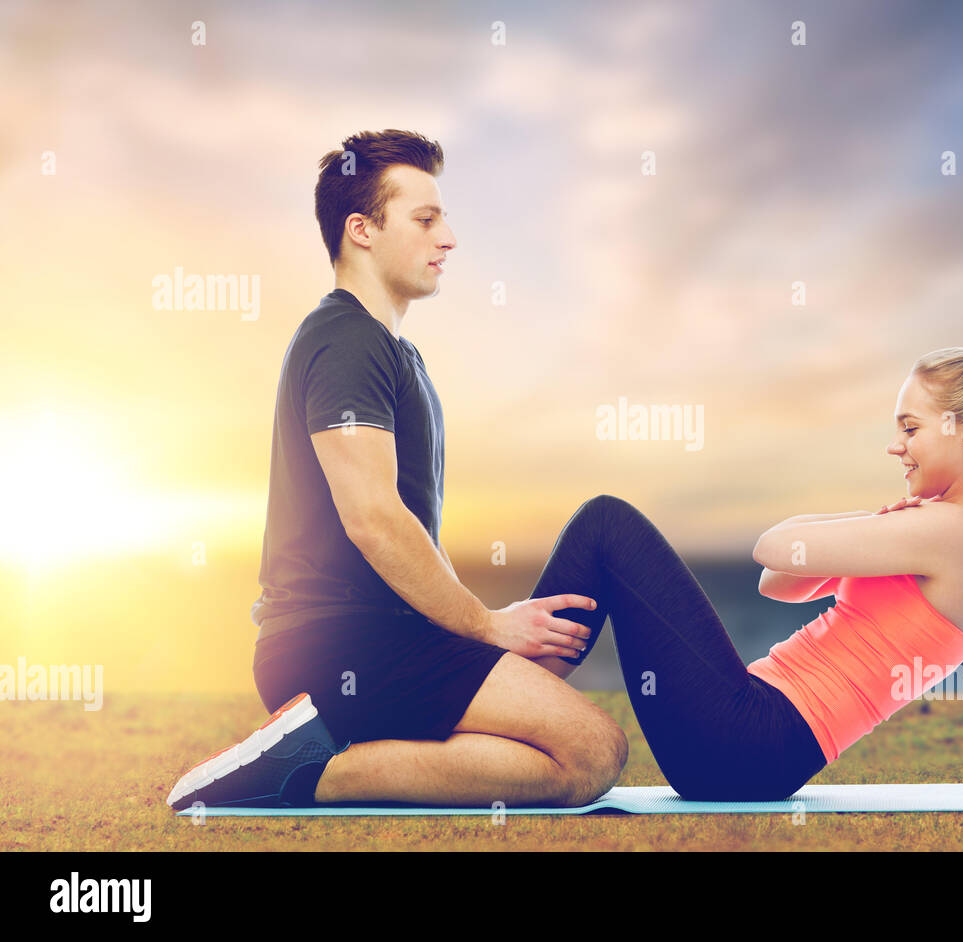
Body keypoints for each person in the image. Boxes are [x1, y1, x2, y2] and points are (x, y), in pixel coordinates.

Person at [167, 130, 624, 811]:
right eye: (426, 218)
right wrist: (483, 624)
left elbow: (411, 529)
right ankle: (304, 771)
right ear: (362, 231)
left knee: (593, 576)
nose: (449, 238)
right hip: (337, 644)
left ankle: (327, 751)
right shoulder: (345, 340)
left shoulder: (396, 354)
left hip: (386, 635)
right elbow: (374, 520)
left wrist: (481, 624)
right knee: (590, 752)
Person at [515, 348, 963, 800]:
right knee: (608, 529)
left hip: (747, 739)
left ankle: (501, 693)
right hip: (750, 740)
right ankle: (510, 695)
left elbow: (772, 545)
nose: (896, 446)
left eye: (910, 428)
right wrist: (878, 524)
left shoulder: (959, 534)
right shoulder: (951, 534)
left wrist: (874, 523)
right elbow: (777, 580)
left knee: (608, 524)